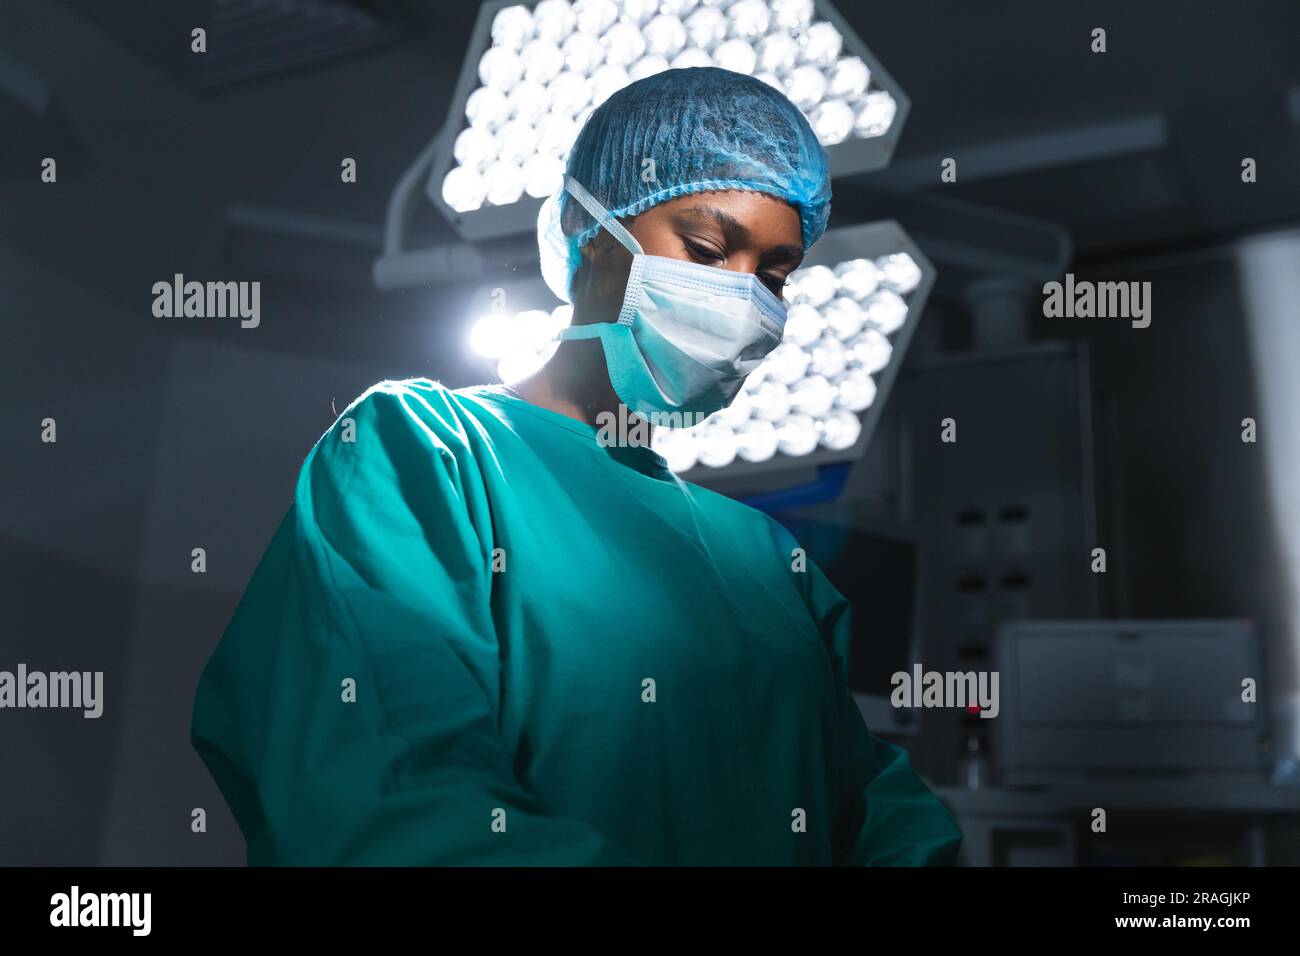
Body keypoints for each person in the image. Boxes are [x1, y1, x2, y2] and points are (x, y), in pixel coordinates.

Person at [191, 67, 962, 866]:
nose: (744, 302)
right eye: (705, 249)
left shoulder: (771, 563)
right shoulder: (430, 452)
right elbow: (387, 794)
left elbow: (876, 814)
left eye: (774, 276)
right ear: (585, 224)